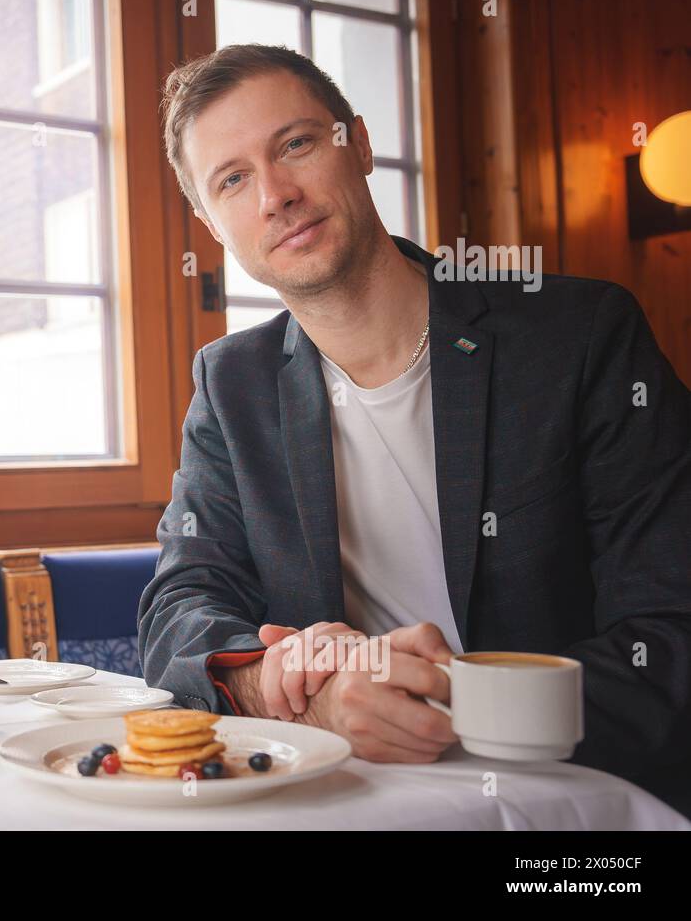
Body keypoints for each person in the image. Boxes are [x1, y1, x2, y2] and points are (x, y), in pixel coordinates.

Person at [139, 44, 691, 816]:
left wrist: (447, 699)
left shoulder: (581, 337)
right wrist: (289, 686)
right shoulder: (231, 385)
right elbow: (180, 607)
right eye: (232, 180)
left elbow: (670, 628)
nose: (275, 195)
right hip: (350, 800)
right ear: (209, 222)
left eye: (296, 144)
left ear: (357, 144)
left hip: (579, 802)